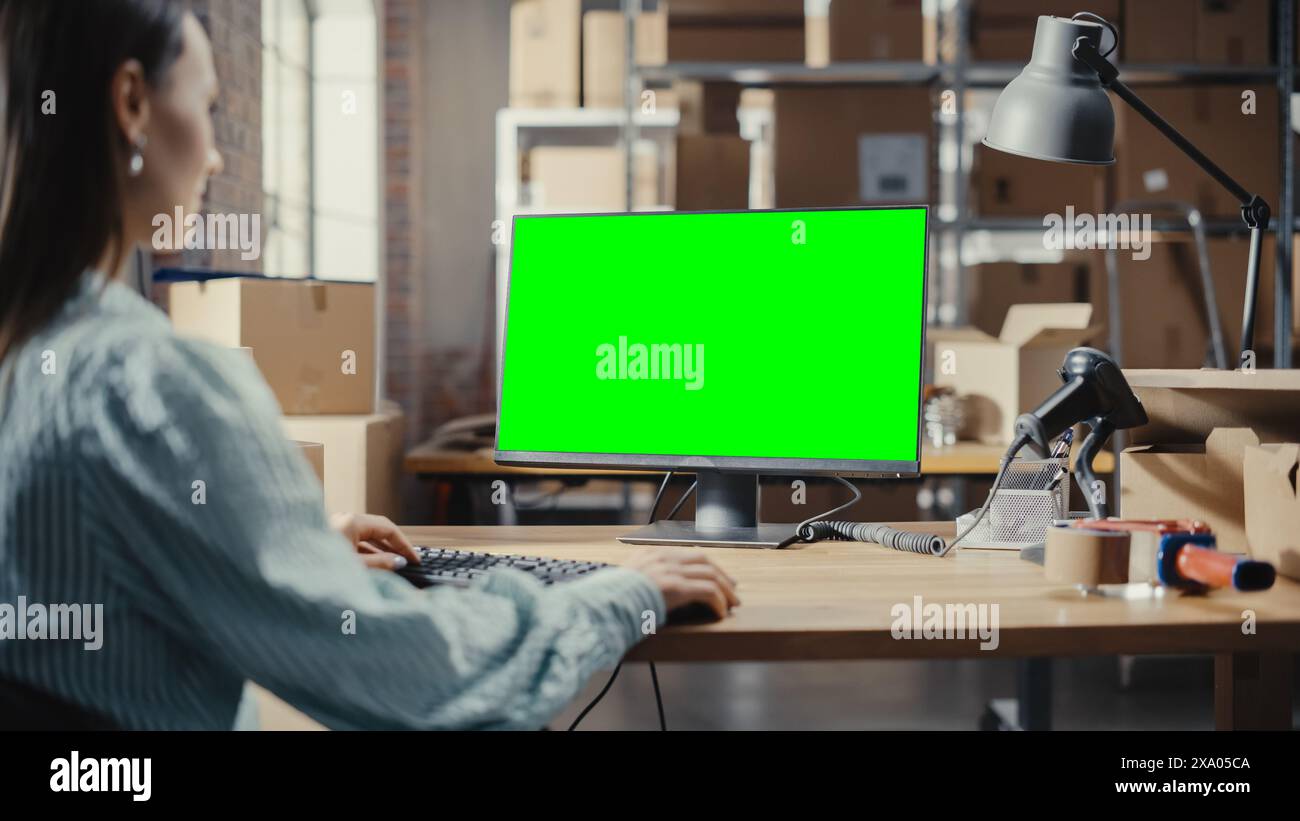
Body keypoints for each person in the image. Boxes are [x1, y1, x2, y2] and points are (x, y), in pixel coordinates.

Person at [0, 0, 738, 730]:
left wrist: (290, 543)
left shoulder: (25, 354)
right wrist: (621, 594)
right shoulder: (150, 383)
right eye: (207, 106)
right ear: (132, 103)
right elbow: (413, 672)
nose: (217, 153)